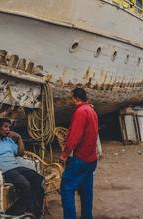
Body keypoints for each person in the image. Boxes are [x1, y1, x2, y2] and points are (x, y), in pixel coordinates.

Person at [0, 118, 44, 218]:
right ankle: (23, 213)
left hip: (17, 167)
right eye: (5, 127)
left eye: (9, 127)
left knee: (39, 179)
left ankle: (29, 211)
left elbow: (21, 153)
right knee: (25, 184)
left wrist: (19, 138)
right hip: (4, 171)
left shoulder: (8, 141)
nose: (8, 129)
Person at [59, 87, 99, 219]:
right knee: (86, 191)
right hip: (91, 159)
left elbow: (75, 137)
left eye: (71, 98)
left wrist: (64, 155)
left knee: (66, 187)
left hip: (81, 158)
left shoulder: (81, 112)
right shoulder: (91, 111)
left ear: (75, 98)